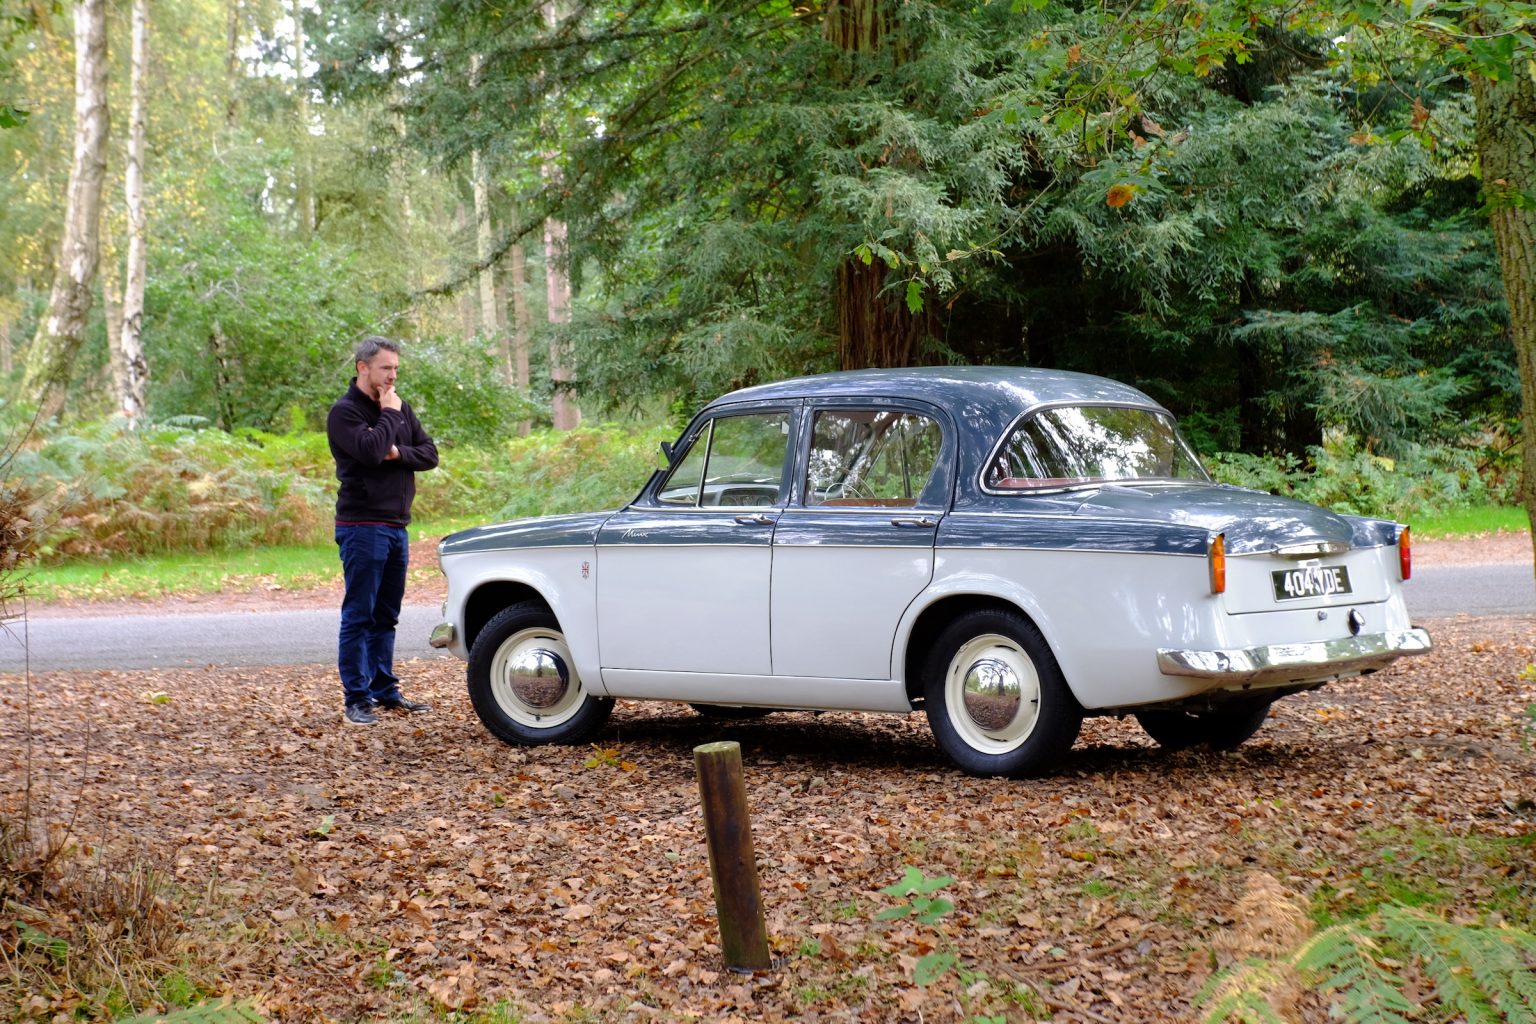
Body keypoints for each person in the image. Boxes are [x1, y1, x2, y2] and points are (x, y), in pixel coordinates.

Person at [326, 336, 440, 725]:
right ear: (363, 367)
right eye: (385, 368)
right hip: (362, 526)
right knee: (359, 614)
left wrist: (396, 452)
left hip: (396, 526)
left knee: (386, 615)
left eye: (395, 368)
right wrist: (389, 421)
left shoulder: (399, 408)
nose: (392, 376)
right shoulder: (344, 413)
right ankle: (356, 698)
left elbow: (429, 454)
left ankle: (384, 690)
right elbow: (370, 451)